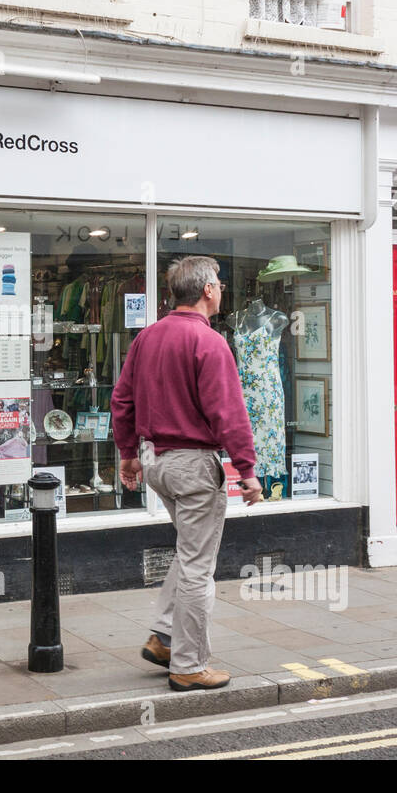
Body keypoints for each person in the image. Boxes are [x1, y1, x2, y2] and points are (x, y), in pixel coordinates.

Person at [110, 256, 263, 693]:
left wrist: (128, 455)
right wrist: (247, 470)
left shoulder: (147, 337)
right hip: (194, 466)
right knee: (199, 566)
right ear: (207, 291)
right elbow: (228, 412)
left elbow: (122, 401)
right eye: (218, 282)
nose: (220, 288)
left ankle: (163, 637)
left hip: (156, 461)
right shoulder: (209, 342)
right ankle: (189, 665)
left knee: (189, 551)